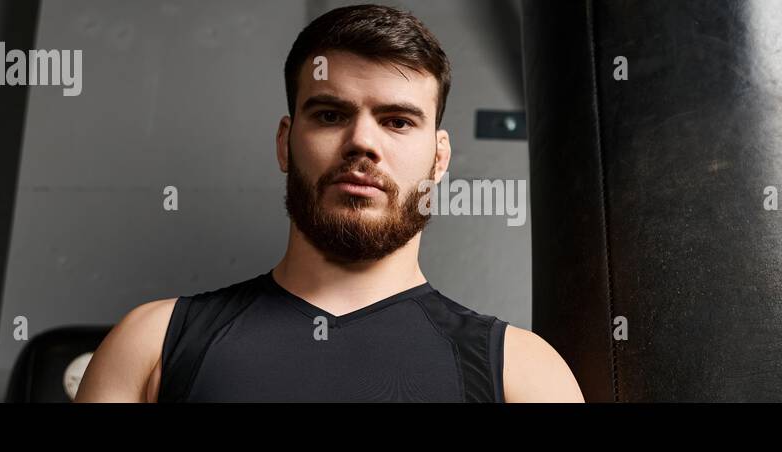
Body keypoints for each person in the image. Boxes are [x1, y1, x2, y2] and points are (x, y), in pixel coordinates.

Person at [75, 4, 583, 403]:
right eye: (330, 115)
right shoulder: (151, 344)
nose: (363, 142)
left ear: (439, 157)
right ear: (285, 141)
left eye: (398, 121)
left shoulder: (522, 372)